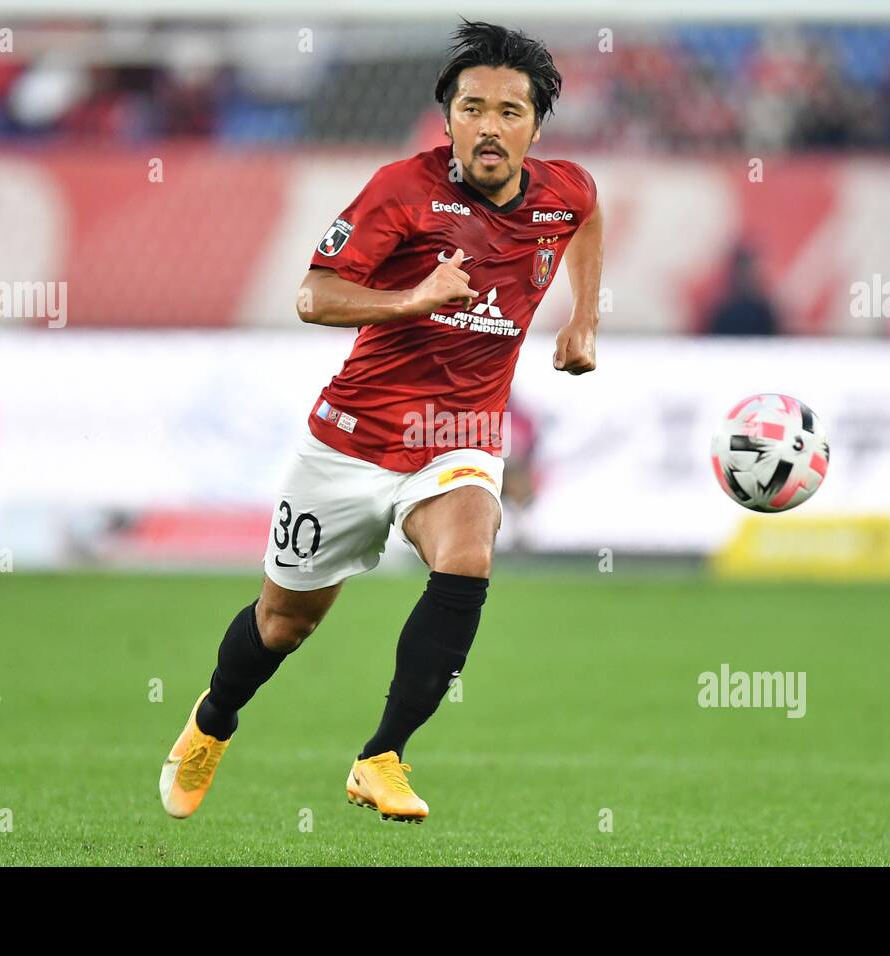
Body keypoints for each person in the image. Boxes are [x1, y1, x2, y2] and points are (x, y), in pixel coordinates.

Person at [160, 20, 603, 823]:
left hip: (458, 436)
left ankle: (383, 755)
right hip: (350, 442)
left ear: (537, 126)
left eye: (510, 110)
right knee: (283, 624)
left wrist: (584, 321)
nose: (490, 126)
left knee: (467, 555)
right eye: (472, 107)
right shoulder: (401, 189)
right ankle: (211, 723)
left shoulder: (563, 193)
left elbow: (588, 216)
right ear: (447, 118)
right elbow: (313, 295)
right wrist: (413, 297)